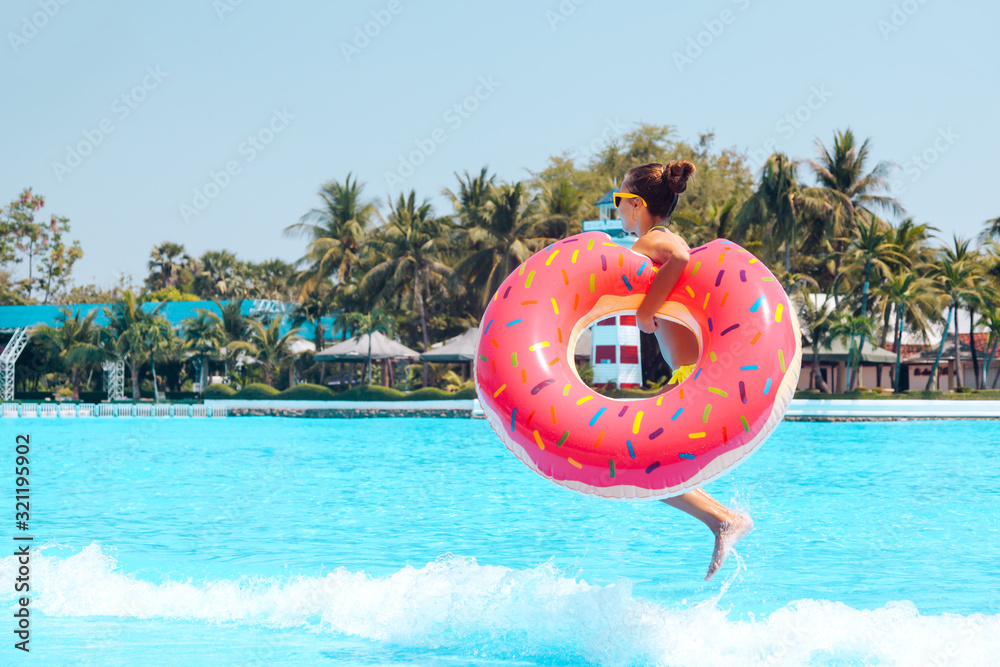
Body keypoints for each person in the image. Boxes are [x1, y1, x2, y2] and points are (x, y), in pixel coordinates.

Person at [614, 160, 753, 581]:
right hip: (690, 375)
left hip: (689, 377)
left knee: (636, 464)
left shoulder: (655, 241)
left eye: (619, 200)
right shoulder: (659, 239)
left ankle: (724, 520)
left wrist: (645, 312)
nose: (617, 208)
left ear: (636, 205)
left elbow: (679, 257)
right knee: (641, 462)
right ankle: (722, 519)